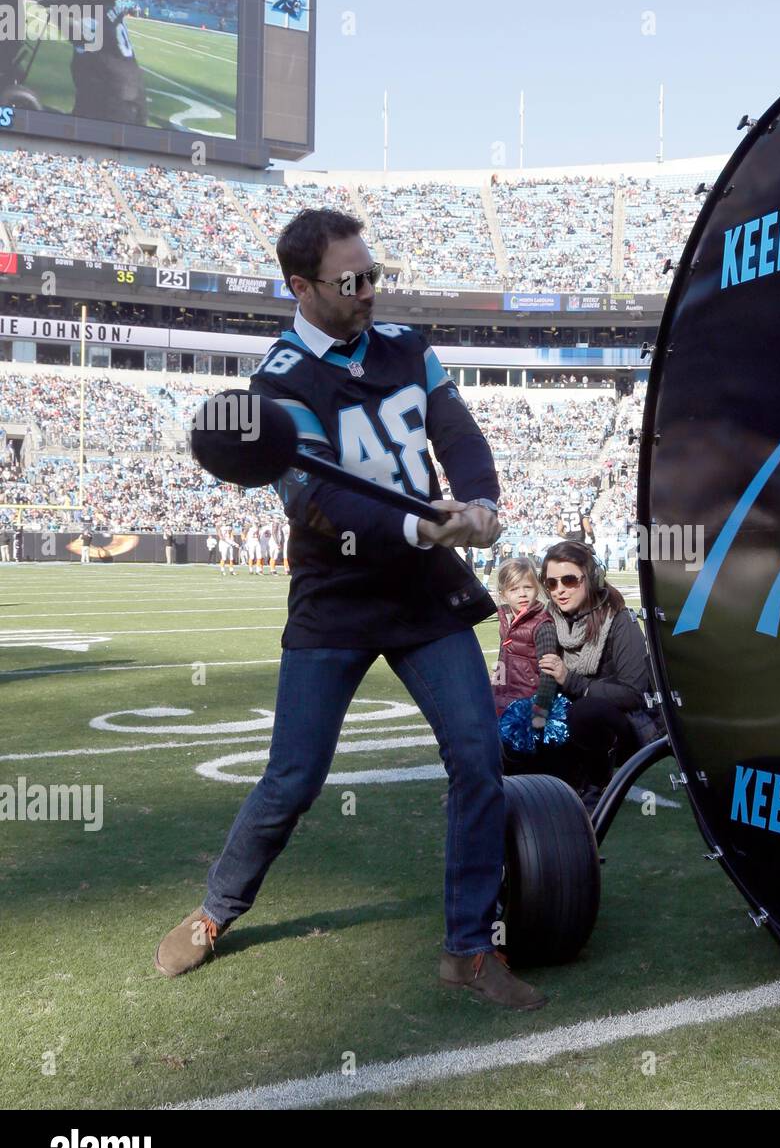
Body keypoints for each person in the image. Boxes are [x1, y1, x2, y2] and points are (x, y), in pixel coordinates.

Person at [154, 208, 544, 1011]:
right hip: (337, 595)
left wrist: (480, 501)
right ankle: (218, 909)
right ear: (300, 286)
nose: (368, 290)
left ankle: (470, 948)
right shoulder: (280, 383)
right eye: (350, 281)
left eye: (374, 274)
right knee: (294, 776)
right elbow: (319, 499)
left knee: (479, 758)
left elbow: (458, 432)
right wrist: (419, 520)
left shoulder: (407, 347)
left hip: (423, 593)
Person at [502, 540, 657, 813]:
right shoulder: (548, 619)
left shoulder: (620, 621)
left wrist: (571, 680)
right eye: (551, 583)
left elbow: (634, 693)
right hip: (565, 719)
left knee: (585, 711)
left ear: (592, 577)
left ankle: (598, 783)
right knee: (521, 715)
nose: (560, 590)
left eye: (569, 580)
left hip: (621, 724)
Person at [491, 558, 557, 730]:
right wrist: (494, 690)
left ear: (537, 588)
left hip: (529, 705)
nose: (522, 594)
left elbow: (548, 674)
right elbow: (502, 658)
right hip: (504, 701)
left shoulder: (543, 625)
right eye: (514, 589)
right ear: (503, 593)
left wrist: (540, 711)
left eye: (527, 587)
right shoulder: (506, 619)